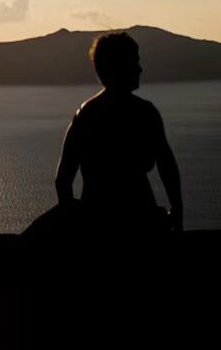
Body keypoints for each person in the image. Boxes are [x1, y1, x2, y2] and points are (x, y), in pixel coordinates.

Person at [52, 31, 183, 234]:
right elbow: (167, 167)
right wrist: (177, 211)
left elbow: (63, 180)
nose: (140, 69)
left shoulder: (85, 115)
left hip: (96, 222)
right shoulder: (145, 113)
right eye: (134, 62)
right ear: (119, 67)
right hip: (141, 220)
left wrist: (74, 223)